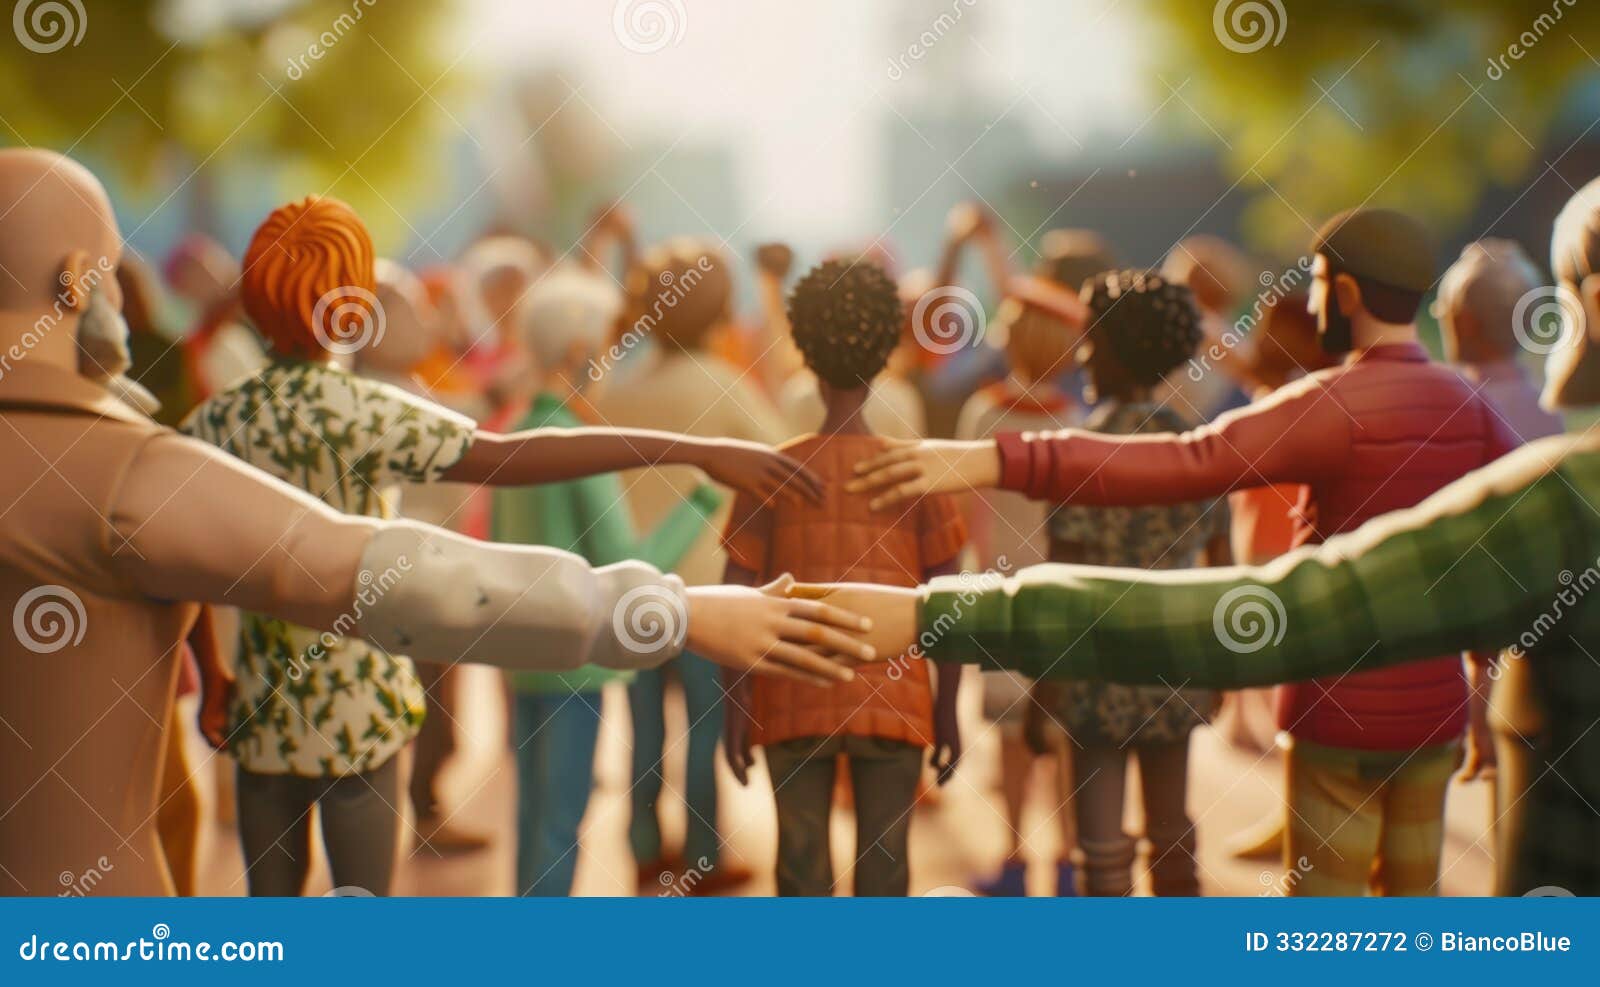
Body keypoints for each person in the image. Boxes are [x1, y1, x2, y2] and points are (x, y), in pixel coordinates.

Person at [0, 148, 870, 897]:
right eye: (112, 269)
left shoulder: (211, 423)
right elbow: (503, 459)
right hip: (358, 713)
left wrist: (218, 674)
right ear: (78, 279)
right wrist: (684, 456)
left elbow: (176, 577)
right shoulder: (330, 417)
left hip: (263, 717)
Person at [850, 207, 1521, 896]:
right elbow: (1502, 554)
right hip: (1433, 715)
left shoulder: (1329, 403)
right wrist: (1482, 691)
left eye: (1318, 284)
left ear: (1345, 293)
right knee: (1416, 897)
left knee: (1326, 906)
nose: (1314, 300)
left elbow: (1186, 462)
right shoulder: (1468, 406)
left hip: (1334, 708)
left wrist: (995, 458)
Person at [721, 259, 967, 897]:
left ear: (802, 346)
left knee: (800, 870)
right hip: (897, 699)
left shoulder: (772, 474)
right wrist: (946, 709)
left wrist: (736, 706)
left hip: (790, 698)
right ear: (888, 352)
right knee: (886, 871)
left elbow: (734, 598)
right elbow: (950, 602)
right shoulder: (916, 472)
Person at [495, 267, 723, 896]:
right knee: (562, 821)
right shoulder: (579, 443)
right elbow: (631, 564)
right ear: (578, 354)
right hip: (575, 658)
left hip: (521, 654)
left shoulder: (517, 431)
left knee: (532, 812)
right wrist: (701, 502)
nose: (613, 364)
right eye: (608, 349)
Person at [594, 238, 791, 892]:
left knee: (643, 729)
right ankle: (703, 852)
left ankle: (643, 844)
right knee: (708, 730)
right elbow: (782, 458)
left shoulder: (623, 389)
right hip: (708, 592)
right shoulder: (722, 383)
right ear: (719, 313)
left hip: (629, 588)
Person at [1034, 270, 1231, 897]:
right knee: (1172, 832)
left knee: (1099, 850)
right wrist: (1221, 664)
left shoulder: (1081, 449)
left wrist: (1046, 685)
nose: (1082, 354)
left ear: (1117, 349)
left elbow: (1060, 579)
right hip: (1176, 664)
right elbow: (1222, 566)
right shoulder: (1197, 446)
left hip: (1094, 668)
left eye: (1091, 339)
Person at [953, 274, 1086, 897]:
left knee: (1009, 737)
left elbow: (966, 511)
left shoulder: (983, 413)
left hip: (998, 590)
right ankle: (1065, 856)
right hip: (1065, 597)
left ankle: (1013, 853)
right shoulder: (1080, 420)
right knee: (1062, 737)